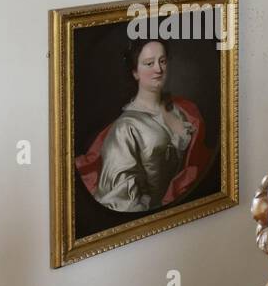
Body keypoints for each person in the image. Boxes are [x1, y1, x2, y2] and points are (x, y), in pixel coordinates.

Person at [75, 40, 211, 214]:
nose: (158, 69)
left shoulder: (183, 110)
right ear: (135, 72)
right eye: (149, 63)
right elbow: (122, 201)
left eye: (162, 61)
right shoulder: (125, 128)